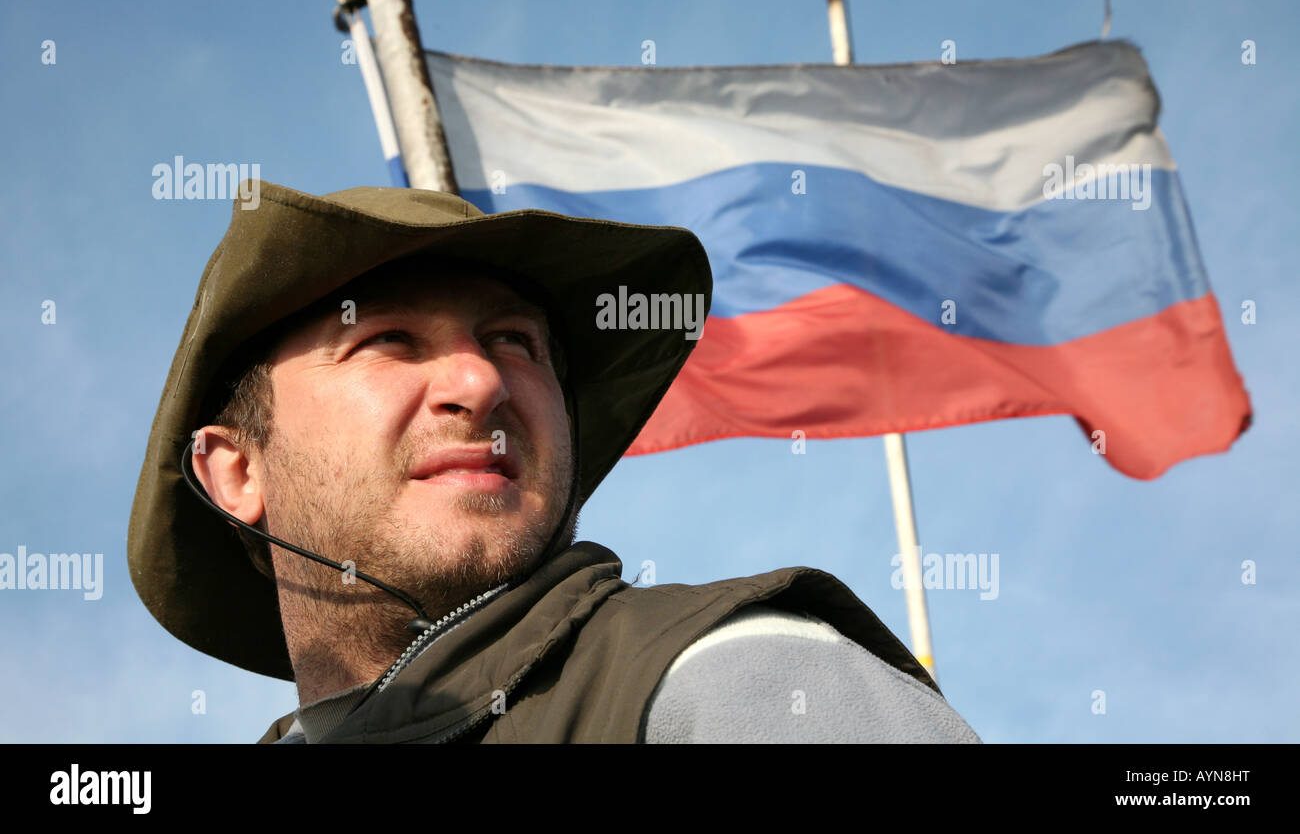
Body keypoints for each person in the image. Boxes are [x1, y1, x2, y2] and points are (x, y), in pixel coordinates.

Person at [128, 179, 981, 744]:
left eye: (515, 342)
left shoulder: (726, 682)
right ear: (237, 474)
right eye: (388, 341)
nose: (481, 379)